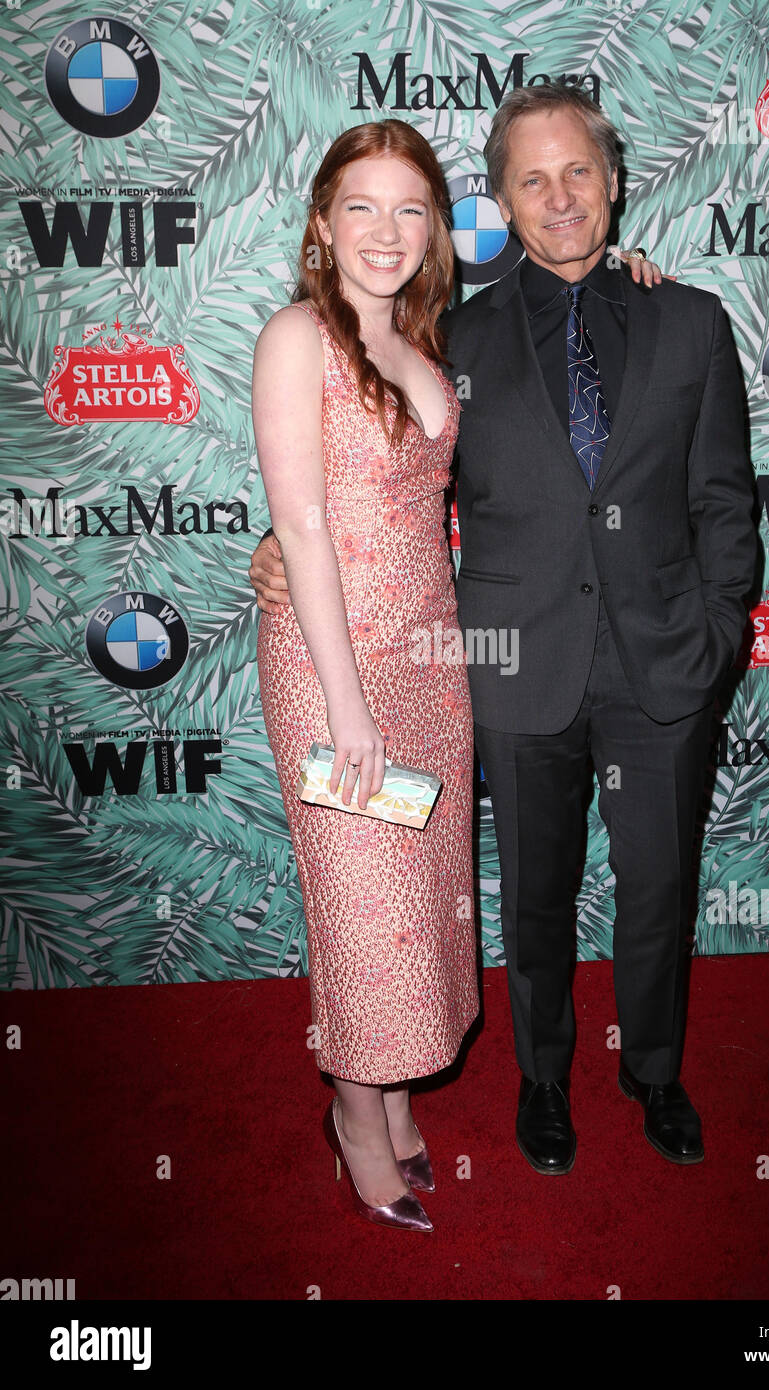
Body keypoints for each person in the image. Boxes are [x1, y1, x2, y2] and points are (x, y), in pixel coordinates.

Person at [251, 85, 756, 1179]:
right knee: (530, 895)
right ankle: (541, 1079)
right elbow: (358, 453)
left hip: (663, 660)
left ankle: (654, 1073)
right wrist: (274, 544)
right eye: (530, 179)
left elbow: (723, 497)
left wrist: (716, 637)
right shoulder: (456, 335)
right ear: (500, 203)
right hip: (511, 667)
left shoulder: (688, 318)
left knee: (659, 887)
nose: (558, 197)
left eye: (577, 171)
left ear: (613, 182)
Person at [252, 119, 480, 1232]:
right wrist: (344, 702)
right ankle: (353, 1119)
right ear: (321, 222)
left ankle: (389, 1102)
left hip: (432, 656)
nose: (384, 231)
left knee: (416, 903)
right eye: (361, 205)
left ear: (433, 229)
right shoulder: (299, 336)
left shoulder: (425, 348)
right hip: (331, 659)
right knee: (361, 905)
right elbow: (298, 520)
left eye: (409, 209)